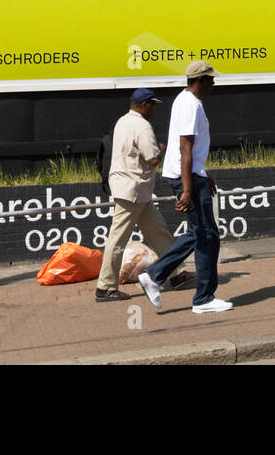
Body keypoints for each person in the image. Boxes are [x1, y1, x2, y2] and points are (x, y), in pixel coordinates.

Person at [138, 61, 232, 314]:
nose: (213, 83)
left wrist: (202, 174)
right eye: (210, 79)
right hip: (187, 177)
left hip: (191, 175)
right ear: (199, 80)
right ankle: (200, 297)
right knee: (206, 235)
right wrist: (189, 189)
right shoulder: (191, 105)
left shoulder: (183, 100)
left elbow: (191, 151)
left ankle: (158, 277)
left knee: (202, 234)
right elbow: (185, 148)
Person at [95, 89, 193, 302]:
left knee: (159, 231)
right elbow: (152, 159)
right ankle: (105, 287)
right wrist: (160, 149)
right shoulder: (142, 125)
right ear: (144, 105)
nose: (154, 109)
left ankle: (176, 273)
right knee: (117, 240)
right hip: (133, 190)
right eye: (152, 105)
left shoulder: (122, 121)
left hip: (131, 188)